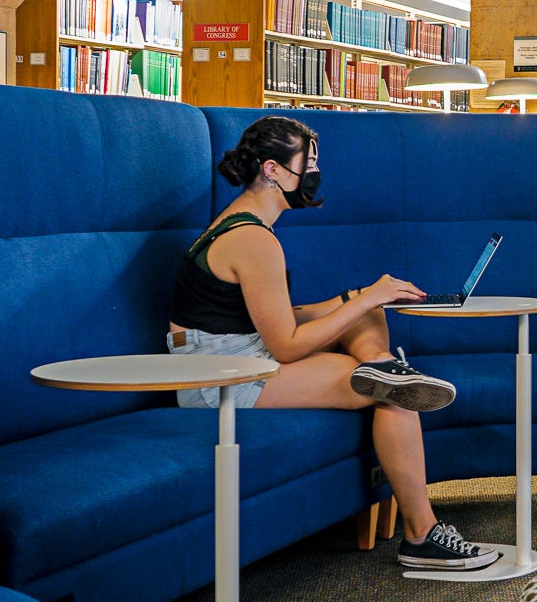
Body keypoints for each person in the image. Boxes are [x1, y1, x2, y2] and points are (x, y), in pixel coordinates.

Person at [167, 116, 494, 571]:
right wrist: (363, 301)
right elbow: (285, 345)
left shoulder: (246, 223)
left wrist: (356, 300)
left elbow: (265, 320)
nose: (315, 174)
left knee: (368, 313)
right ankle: (422, 536)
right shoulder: (253, 240)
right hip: (218, 375)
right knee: (393, 393)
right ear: (273, 170)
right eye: (309, 163)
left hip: (238, 347)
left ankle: (380, 363)